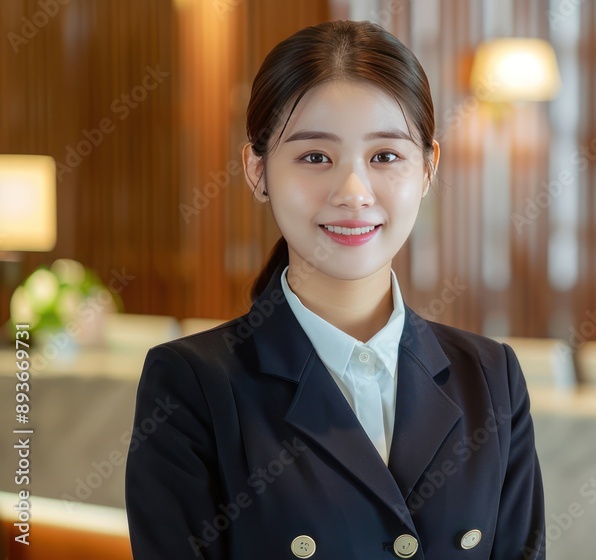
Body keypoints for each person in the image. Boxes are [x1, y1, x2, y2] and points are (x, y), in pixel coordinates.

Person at [125, 20, 545, 560]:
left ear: (428, 168)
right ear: (257, 170)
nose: (353, 193)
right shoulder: (192, 386)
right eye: (315, 157)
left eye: (386, 157)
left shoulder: (491, 379)